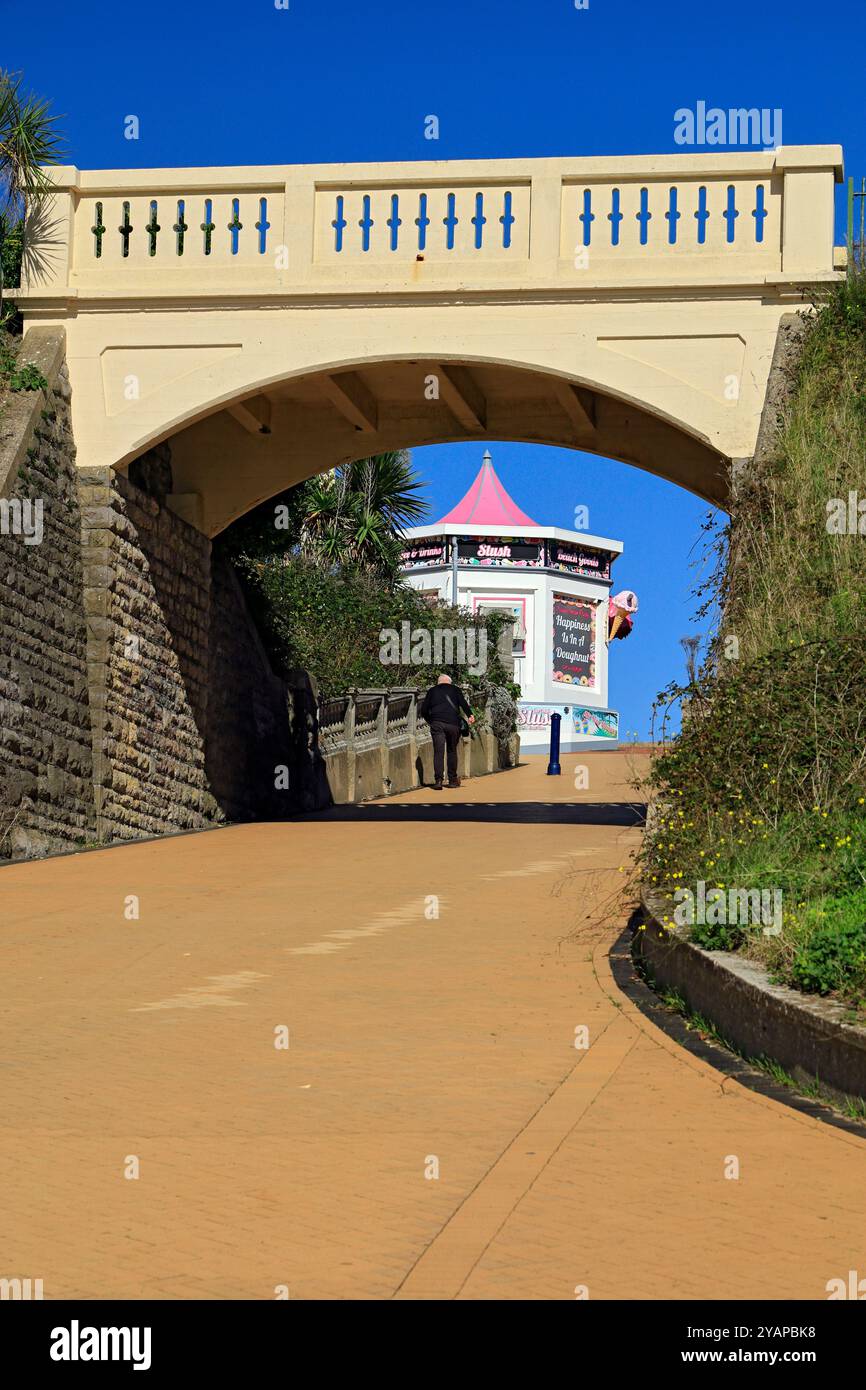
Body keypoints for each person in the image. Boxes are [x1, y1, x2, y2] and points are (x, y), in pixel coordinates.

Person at [418, 674, 475, 790]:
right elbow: (463, 703)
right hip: (453, 724)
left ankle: (438, 781)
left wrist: (431, 720)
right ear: (450, 682)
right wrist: (470, 715)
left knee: (438, 752)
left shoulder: (432, 691)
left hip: (437, 724)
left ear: (438, 682)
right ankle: (452, 780)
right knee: (452, 751)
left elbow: (423, 710)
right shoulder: (456, 690)